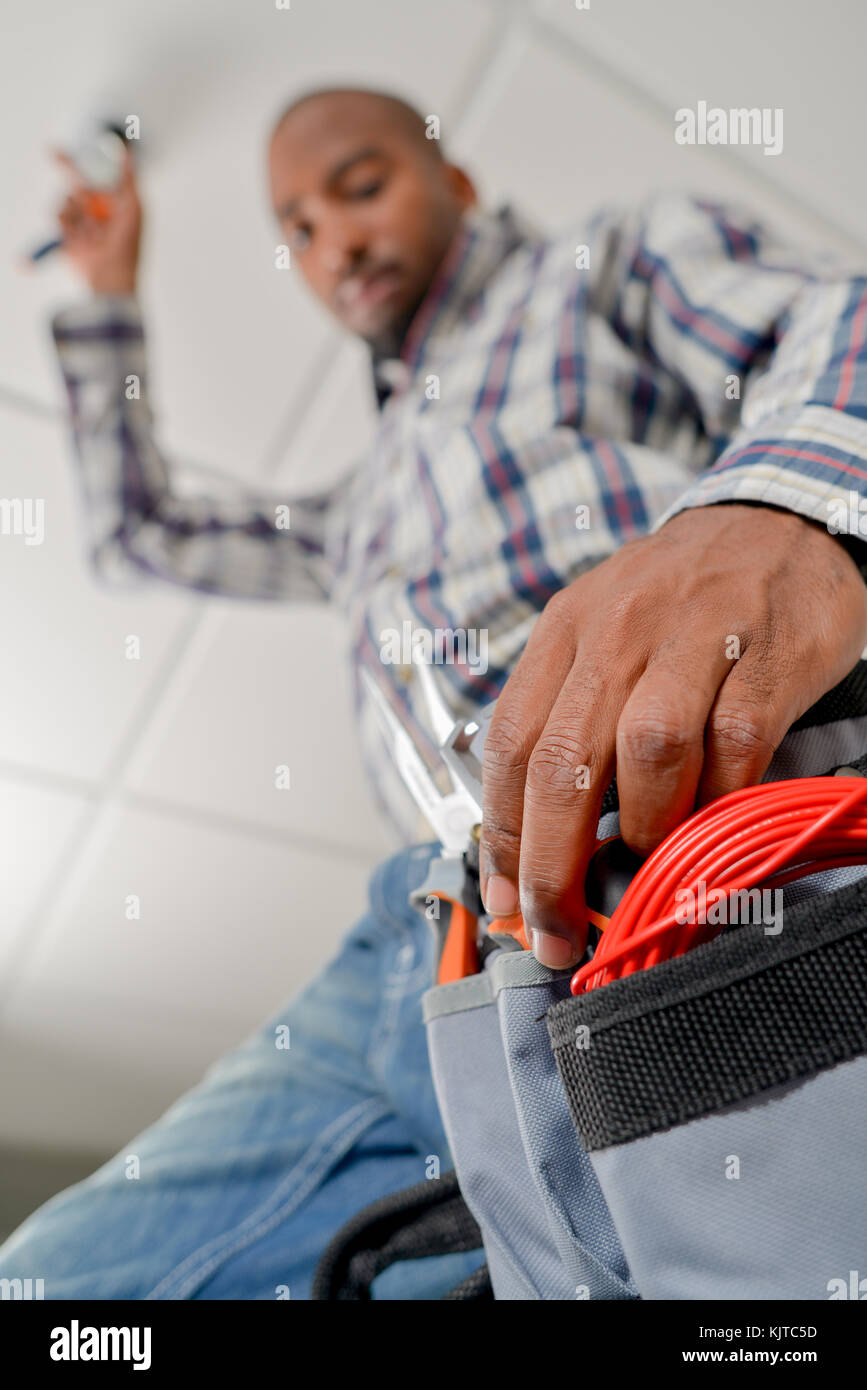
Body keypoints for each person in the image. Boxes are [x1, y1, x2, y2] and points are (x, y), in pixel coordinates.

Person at [2, 86, 866, 1299]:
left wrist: (781, 506)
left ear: (454, 183)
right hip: (413, 946)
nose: (334, 242)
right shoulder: (356, 513)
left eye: (359, 187)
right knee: (57, 1285)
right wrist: (106, 286)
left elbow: (842, 314)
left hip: (664, 833)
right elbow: (139, 536)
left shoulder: (599, 267)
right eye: (296, 229)